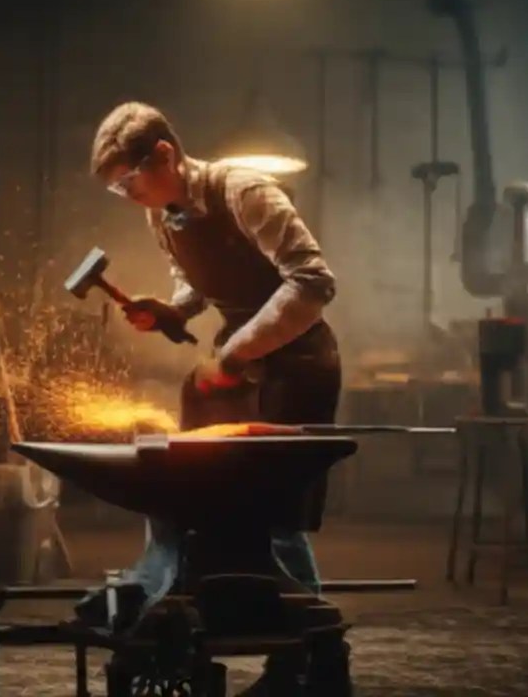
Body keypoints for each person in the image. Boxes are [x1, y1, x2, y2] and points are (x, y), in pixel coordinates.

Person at [89, 101, 341, 692]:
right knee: (198, 496)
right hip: (231, 362)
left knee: (278, 520)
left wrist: (233, 355)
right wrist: (174, 307)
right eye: (115, 189)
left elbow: (312, 282)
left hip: (297, 362)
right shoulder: (162, 212)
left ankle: (312, 661)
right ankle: (191, 610)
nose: (126, 195)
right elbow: (196, 279)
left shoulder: (245, 191)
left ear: (166, 155)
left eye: (129, 180)